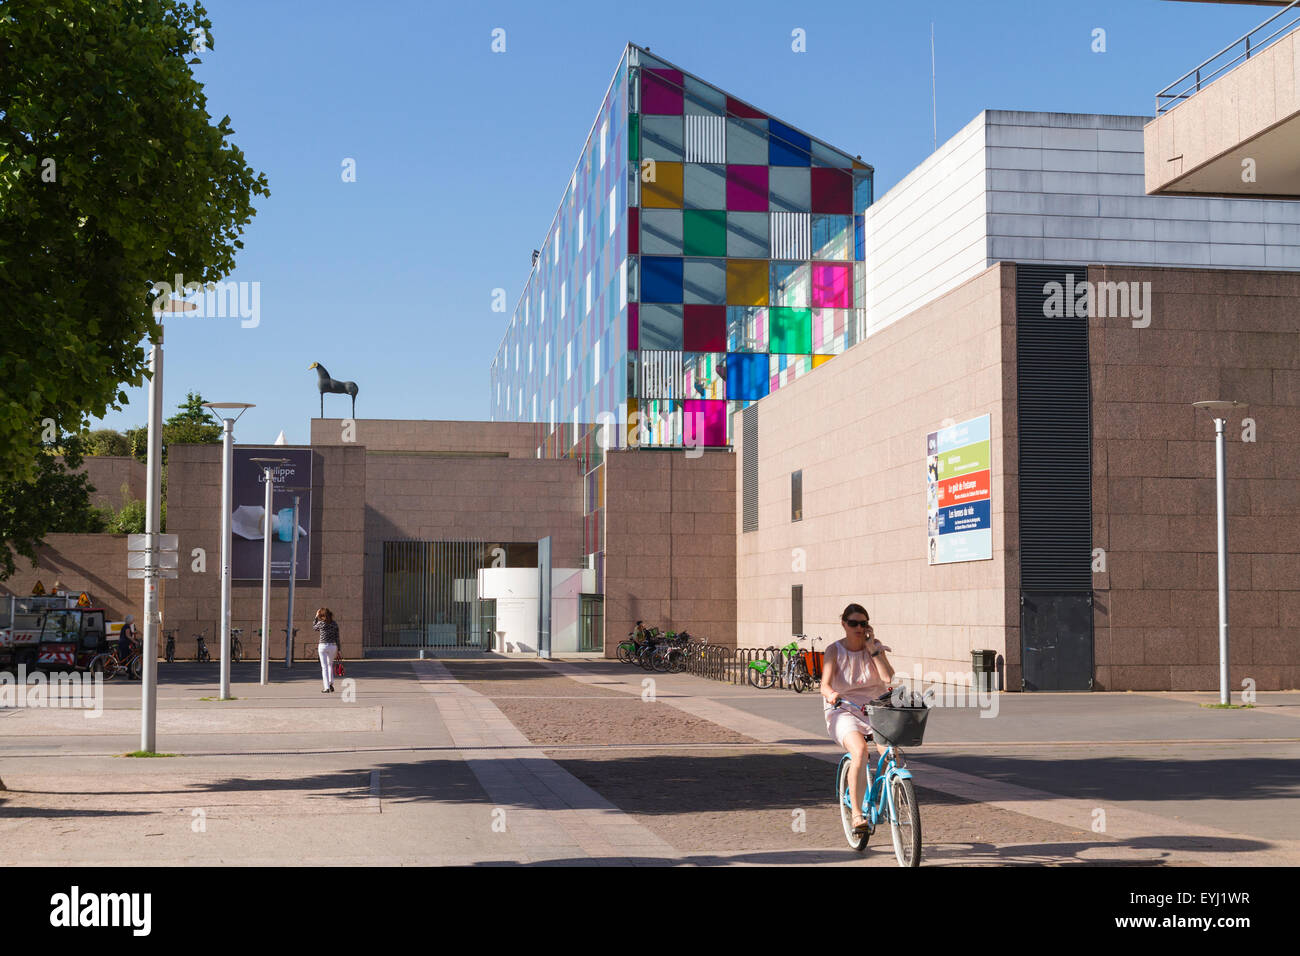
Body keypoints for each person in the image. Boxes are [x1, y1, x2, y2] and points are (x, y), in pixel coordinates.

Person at [821, 603, 895, 834]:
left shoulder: (874, 648)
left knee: (891, 753)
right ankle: (857, 815)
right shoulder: (834, 650)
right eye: (853, 623)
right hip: (844, 708)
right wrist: (832, 695)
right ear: (843, 624)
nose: (858, 628)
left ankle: (881, 795)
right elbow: (824, 685)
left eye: (863, 623)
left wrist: (874, 650)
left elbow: (887, 677)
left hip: (874, 707)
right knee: (860, 751)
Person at [313, 608, 341, 693]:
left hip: (323, 646)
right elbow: (337, 637)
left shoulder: (321, 623)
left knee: (324, 667)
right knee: (330, 665)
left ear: (321, 615)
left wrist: (315, 617)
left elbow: (314, 628)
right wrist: (339, 649)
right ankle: (331, 683)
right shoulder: (334, 624)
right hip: (333, 646)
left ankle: (326, 687)